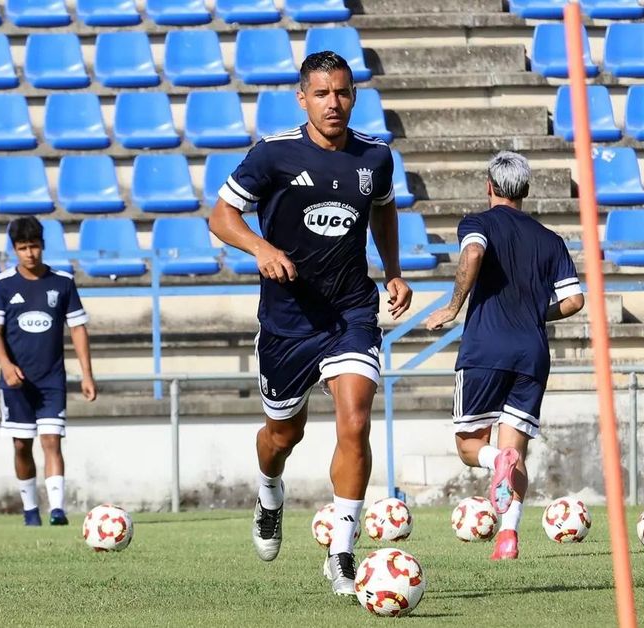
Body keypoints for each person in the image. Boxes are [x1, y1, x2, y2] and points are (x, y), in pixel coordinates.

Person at [208, 51, 412, 595]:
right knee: (282, 434)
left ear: (354, 95)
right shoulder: (272, 156)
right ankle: (269, 492)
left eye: (343, 92)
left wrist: (392, 271)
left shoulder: (376, 156)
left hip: (351, 311)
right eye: (322, 93)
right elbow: (221, 216)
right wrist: (260, 247)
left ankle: (342, 551)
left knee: (355, 419)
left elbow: (384, 208)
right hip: (287, 321)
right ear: (303, 97)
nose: (334, 103)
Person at [424, 151, 585, 560]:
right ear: (526, 191)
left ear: (489, 187)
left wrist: (453, 305)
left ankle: (496, 459)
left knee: (470, 447)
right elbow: (574, 300)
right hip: (532, 353)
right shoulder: (551, 240)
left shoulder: (477, 223)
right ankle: (508, 537)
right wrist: (537, 313)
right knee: (518, 452)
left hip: (485, 348)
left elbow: (473, 254)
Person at [0, 217, 98, 527]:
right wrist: (6, 366)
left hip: (51, 379)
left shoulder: (62, 282)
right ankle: (30, 508)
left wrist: (86, 374)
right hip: (16, 381)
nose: (30, 254)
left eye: (34, 246)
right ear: (14, 250)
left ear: (43, 246)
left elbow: (78, 328)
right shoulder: (2, 285)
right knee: (22, 444)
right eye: (23, 248)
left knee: (51, 440)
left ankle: (57, 510)